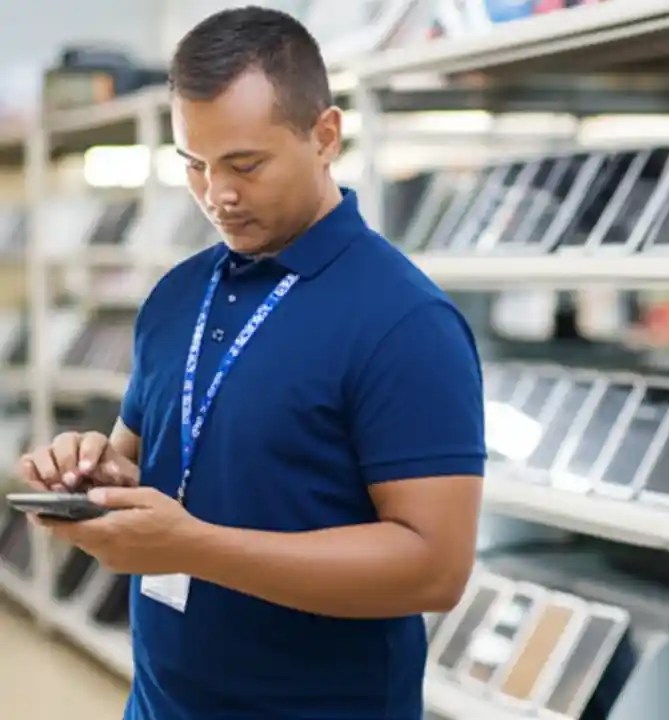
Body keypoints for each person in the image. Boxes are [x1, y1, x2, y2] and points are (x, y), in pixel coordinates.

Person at [16, 6, 485, 719]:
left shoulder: (406, 320)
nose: (218, 196)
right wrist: (93, 473)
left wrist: (196, 548)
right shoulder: (175, 296)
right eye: (194, 166)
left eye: (245, 164)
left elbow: (434, 569)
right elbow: (140, 461)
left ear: (325, 135)